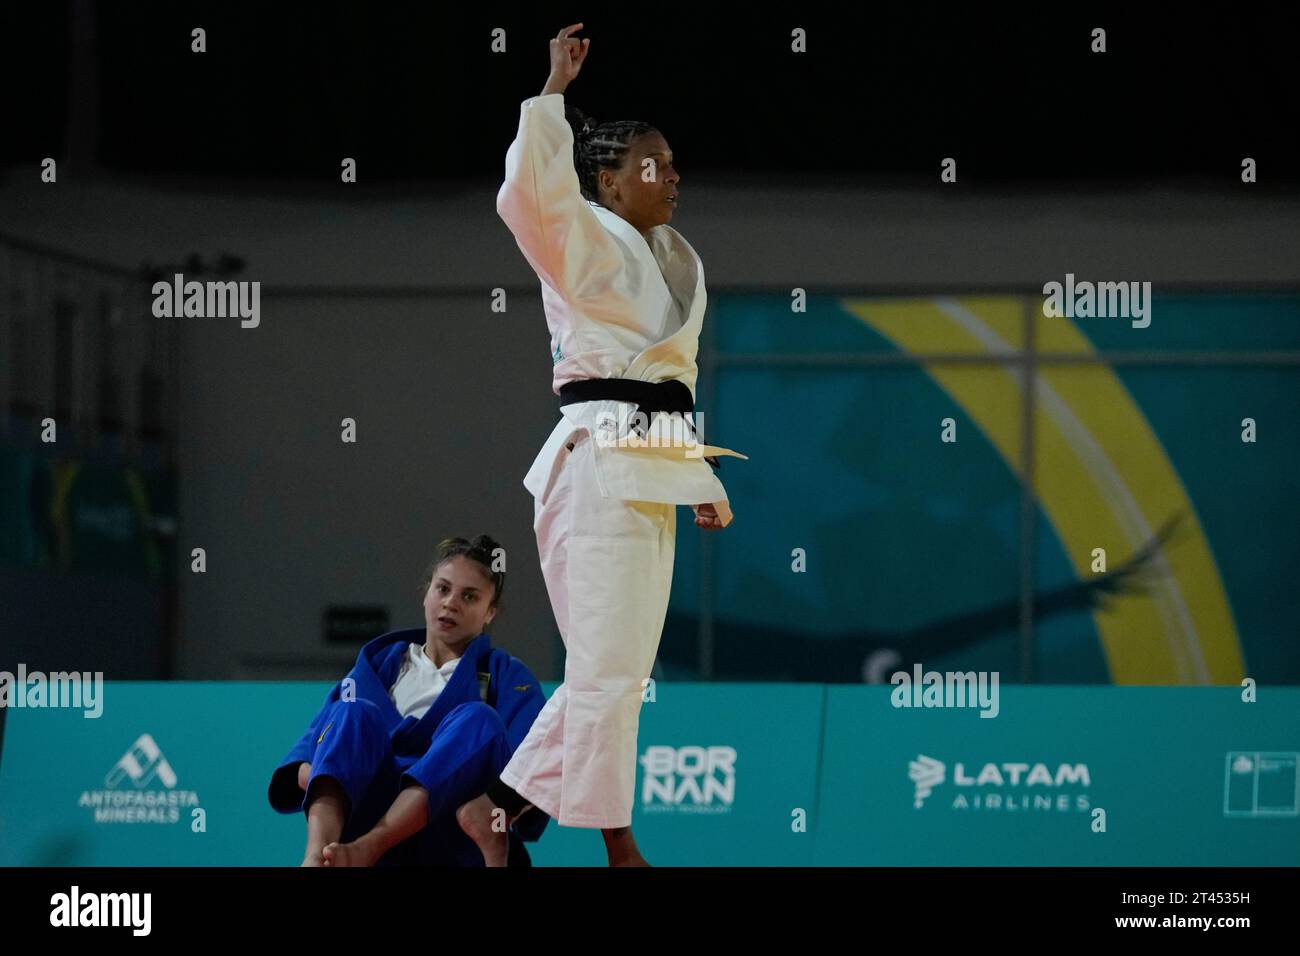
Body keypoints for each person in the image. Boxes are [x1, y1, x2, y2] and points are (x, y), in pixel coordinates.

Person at [453, 23, 747, 867]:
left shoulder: (668, 256)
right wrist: (550, 94)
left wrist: (700, 482)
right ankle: (607, 839)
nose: (672, 176)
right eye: (652, 164)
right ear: (608, 183)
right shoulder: (578, 236)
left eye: (672, 163)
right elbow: (528, 198)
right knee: (608, 672)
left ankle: (501, 809)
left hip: (644, 470)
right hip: (598, 466)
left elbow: (664, 390)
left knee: (617, 675)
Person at [267, 535, 549, 866]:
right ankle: (317, 858)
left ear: (489, 613)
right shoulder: (376, 667)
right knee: (352, 711)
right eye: (442, 589)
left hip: (449, 830)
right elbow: (307, 759)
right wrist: (342, 771)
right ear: (426, 594)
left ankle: (371, 847)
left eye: (469, 597)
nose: (451, 603)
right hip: (368, 811)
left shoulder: (508, 677)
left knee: (479, 719)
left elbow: (531, 773)